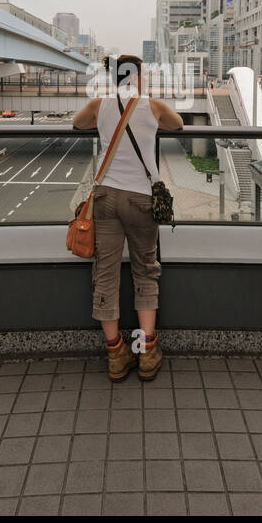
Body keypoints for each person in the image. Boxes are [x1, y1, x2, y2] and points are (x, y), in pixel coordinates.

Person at [72, 54, 183, 382]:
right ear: (138, 77)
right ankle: (147, 351)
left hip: (106, 197)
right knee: (145, 269)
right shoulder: (153, 106)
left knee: (105, 272)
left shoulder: (100, 105)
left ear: (113, 78)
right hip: (141, 199)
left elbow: (78, 123)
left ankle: (115, 354)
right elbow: (177, 124)